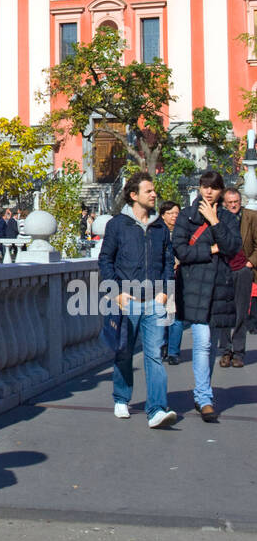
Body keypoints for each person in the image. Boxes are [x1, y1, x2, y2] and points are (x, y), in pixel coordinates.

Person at [98, 172, 176, 427]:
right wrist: (116, 292)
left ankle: (156, 410)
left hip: (155, 301)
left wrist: (166, 291)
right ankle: (121, 398)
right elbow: (105, 260)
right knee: (124, 352)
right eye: (148, 191)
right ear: (134, 195)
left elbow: (167, 261)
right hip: (127, 301)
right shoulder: (117, 225)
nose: (154, 194)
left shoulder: (159, 227)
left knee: (154, 355)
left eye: (154, 190)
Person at [172, 170, 240, 422]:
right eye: (204, 186)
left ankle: (203, 392)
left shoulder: (227, 218)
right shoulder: (187, 216)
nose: (208, 191)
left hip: (219, 287)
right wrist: (211, 248)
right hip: (194, 286)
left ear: (221, 191)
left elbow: (233, 248)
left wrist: (215, 222)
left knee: (210, 343)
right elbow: (180, 250)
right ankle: (204, 397)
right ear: (199, 188)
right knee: (201, 340)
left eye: (213, 187)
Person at [219, 186, 256, 369]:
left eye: (236, 202)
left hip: (243, 269)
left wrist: (250, 263)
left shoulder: (251, 217)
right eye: (230, 203)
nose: (233, 205)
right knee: (224, 312)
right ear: (225, 203)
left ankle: (239, 352)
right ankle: (226, 350)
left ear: (240, 202)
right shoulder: (219, 218)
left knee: (242, 312)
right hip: (224, 270)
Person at [156, 201, 183, 363]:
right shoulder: (157, 232)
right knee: (161, 313)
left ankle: (173, 352)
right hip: (161, 277)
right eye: (171, 213)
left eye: (176, 213)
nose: (174, 216)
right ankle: (163, 345)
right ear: (163, 215)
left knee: (176, 315)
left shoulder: (182, 232)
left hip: (179, 276)